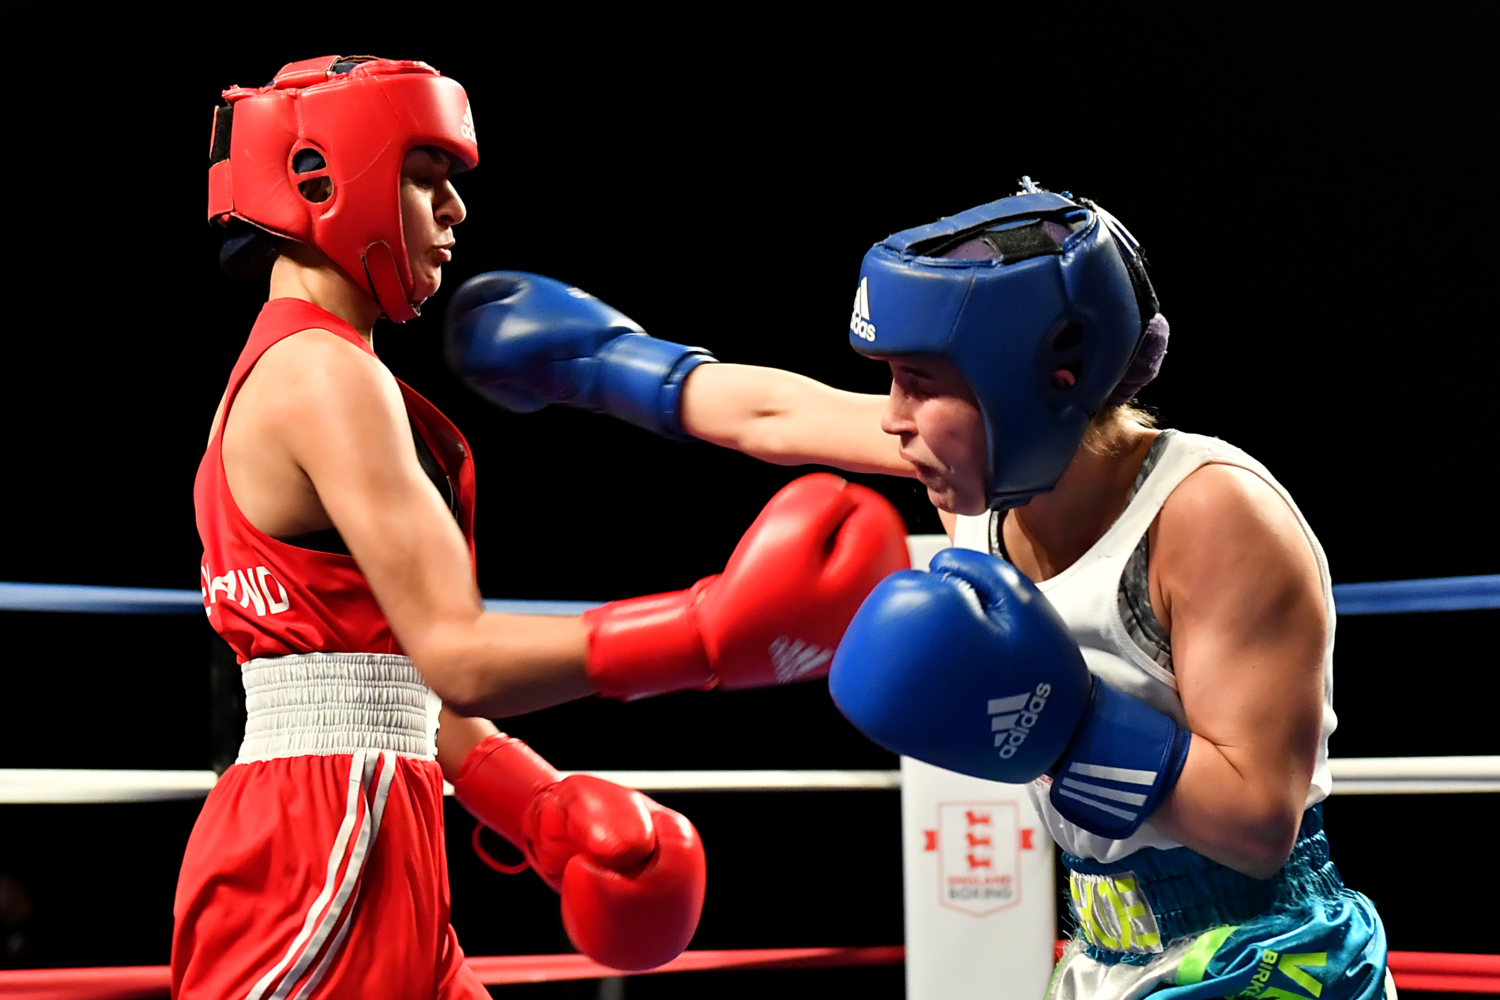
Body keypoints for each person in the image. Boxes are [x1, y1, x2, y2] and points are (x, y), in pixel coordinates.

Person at [443, 181, 1394, 999]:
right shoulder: (978, 477)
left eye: (914, 382)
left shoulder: (1212, 519)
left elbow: (1260, 822)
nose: (890, 421)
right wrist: (603, 365)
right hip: (1103, 945)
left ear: (1042, 383)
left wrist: (1059, 724)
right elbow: (778, 413)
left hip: (1270, 952)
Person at [181, 55, 910, 1000]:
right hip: (318, 859)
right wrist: (706, 633)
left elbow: (375, 678)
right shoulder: (322, 376)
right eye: (425, 177)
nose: (455, 213)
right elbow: (457, 656)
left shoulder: (296, 369)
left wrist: (535, 805)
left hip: (362, 820)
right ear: (326, 175)